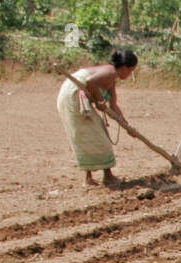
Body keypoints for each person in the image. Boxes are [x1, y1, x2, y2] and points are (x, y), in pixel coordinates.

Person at [56, 49, 137, 187]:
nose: (130, 75)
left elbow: (113, 106)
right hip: (73, 96)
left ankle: (93, 177)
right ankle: (107, 177)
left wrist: (127, 126)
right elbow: (90, 81)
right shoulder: (110, 72)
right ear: (124, 67)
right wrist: (99, 101)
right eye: (130, 71)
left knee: (94, 132)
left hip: (75, 97)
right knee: (93, 135)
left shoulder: (112, 78)